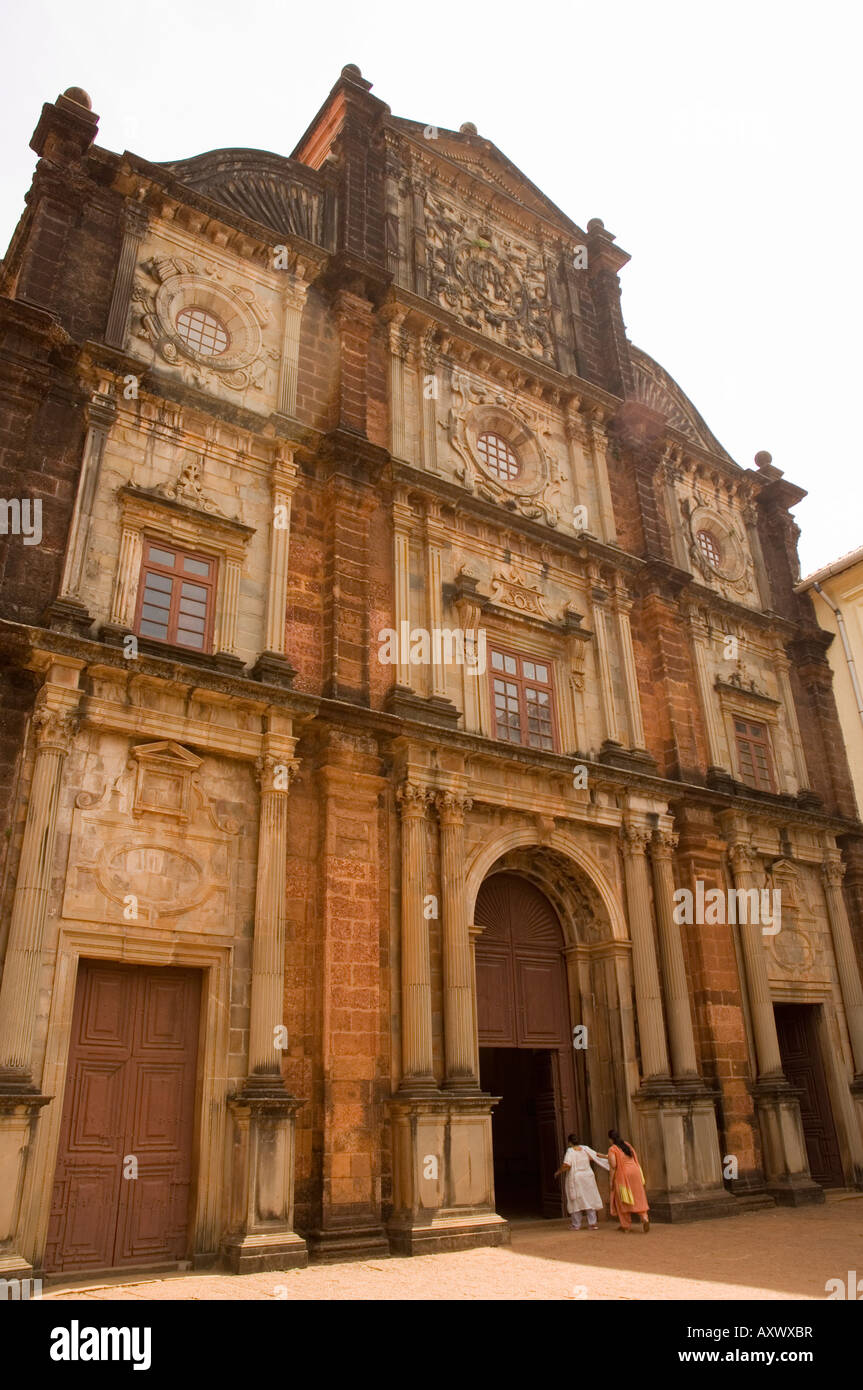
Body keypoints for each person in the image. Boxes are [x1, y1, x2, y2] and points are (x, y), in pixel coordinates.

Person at [554, 1134, 609, 1231]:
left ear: (569, 1142)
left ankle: (576, 1225)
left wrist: (558, 1172)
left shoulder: (570, 1151)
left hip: (577, 1178)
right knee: (590, 1199)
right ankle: (592, 1224)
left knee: (575, 1200)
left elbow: (567, 1165)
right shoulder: (585, 1149)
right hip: (588, 1177)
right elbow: (596, 1155)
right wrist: (608, 1157)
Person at [607, 1128, 649, 1233]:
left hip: (623, 1175)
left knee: (622, 1198)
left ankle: (626, 1225)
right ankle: (644, 1218)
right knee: (638, 1195)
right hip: (635, 1172)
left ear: (610, 1139)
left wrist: (611, 1181)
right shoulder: (627, 1145)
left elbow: (613, 1165)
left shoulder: (613, 1149)